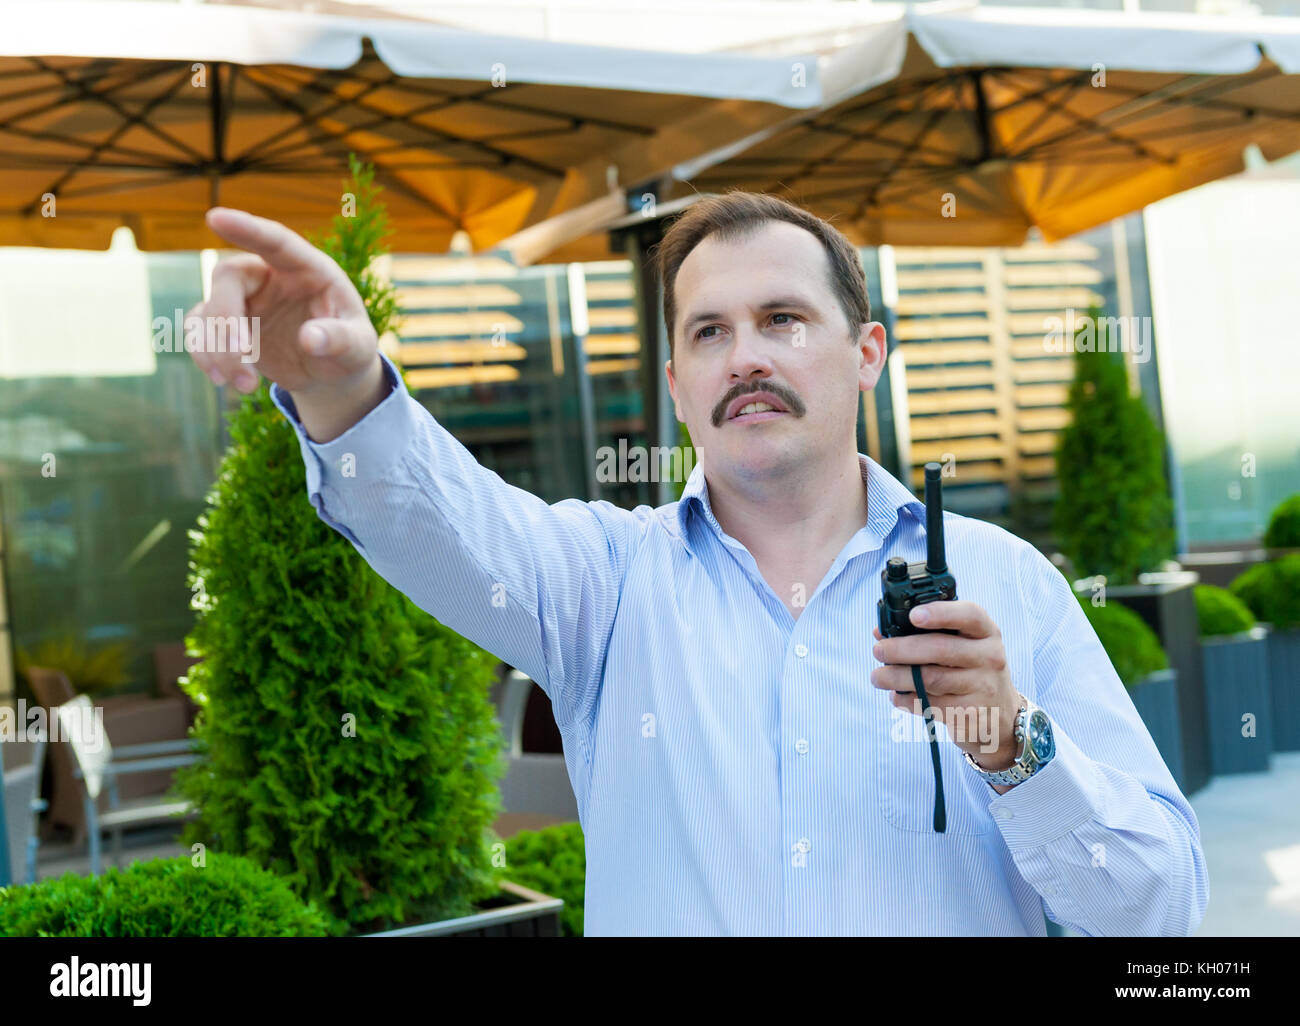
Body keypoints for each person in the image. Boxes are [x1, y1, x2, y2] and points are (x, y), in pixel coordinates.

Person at [186, 190, 1208, 937]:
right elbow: (436, 520)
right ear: (677, 384)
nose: (745, 357)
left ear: (866, 353)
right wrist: (343, 389)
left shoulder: (1006, 582)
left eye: (782, 319)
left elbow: (1158, 912)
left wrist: (1010, 748)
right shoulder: (601, 584)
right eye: (709, 332)